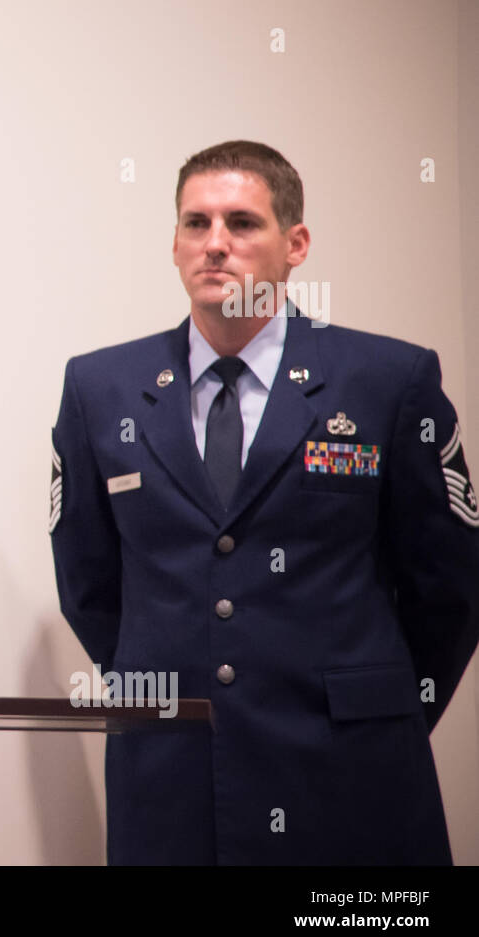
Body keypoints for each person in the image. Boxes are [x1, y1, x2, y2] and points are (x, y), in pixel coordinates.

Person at [50, 140, 479, 865]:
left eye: (243, 222)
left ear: (296, 243)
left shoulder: (386, 379)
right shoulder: (102, 389)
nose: (215, 244)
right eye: (196, 223)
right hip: (170, 775)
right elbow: (89, 586)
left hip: (348, 774)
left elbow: (451, 584)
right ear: (176, 241)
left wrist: (375, 706)